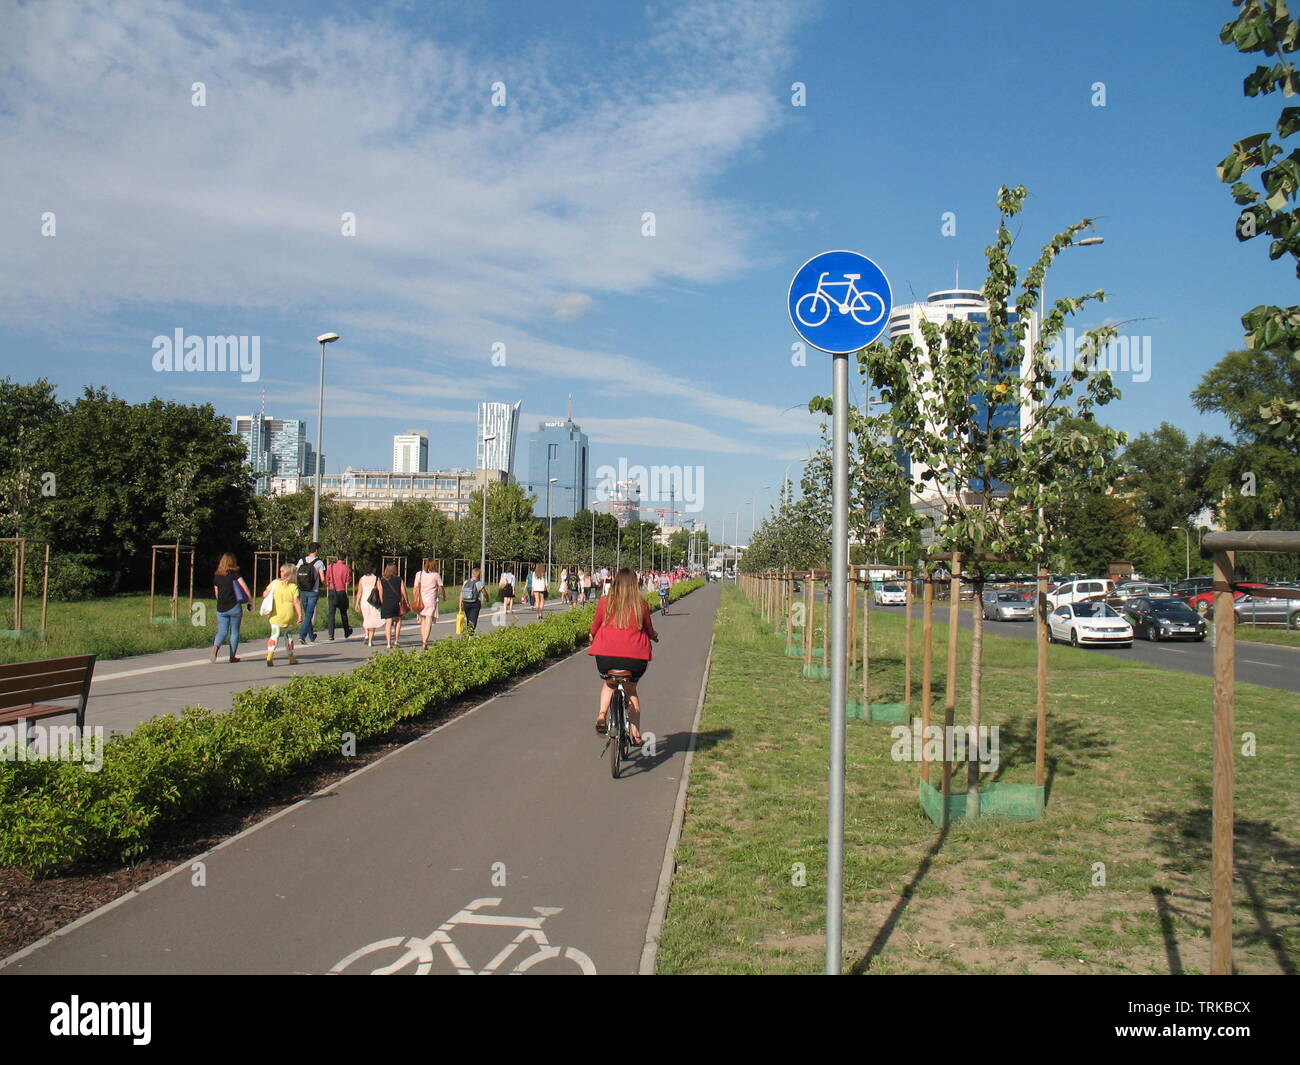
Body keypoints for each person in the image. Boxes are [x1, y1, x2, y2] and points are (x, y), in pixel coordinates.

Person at [589, 568, 659, 745]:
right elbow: (649, 629)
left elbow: (595, 625)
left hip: (605, 657)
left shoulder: (606, 602)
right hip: (635, 659)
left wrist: (592, 635)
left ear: (616, 584)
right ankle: (635, 734)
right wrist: (654, 636)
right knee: (631, 690)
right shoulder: (641, 604)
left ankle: (601, 715)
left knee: (609, 683)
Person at [211, 553, 252, 663]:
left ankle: (215, 647)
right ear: (232, 562)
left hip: (221, 608)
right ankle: (232, 656)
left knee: (222, 632)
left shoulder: (217, 575)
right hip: (234, 607)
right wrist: (250, 601)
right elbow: (245, 588)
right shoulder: (235, 574)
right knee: (234, 632)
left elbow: (216, 593)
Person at [263, 563, 304, 666]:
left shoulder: (275, 583)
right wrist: (299, 615)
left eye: (282, 571)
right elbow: (296, 602)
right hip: (288, 616)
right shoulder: (294, 587)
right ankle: (291, 657)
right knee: (288, 636)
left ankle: (270, 656)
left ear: (286, 573)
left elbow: (264, 594)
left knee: (274, 635)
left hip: (275, 615)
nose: (280, 573)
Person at [295, 543, 326, 644]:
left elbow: (296, 573)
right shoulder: (319, 562)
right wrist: (326, 585)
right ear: (316, 550)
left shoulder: (301, 560)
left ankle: (312, 636)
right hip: (313, 591)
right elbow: (322, 578)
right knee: (309, 615)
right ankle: (302, 635)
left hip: (303, 590)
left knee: (307, 614)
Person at [413, 560, 443, 650]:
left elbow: (415, 587)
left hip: (421, 600)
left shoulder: (419, 574)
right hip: (431, 600)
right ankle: (425, 641)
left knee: (422, 621)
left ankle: (423, 640)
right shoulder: (436, 575)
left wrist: (415, 598)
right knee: (429, 619)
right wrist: (441, 595)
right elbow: (440, 587)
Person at [379, 563, 409, 648]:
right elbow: (403, 591)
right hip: (396, 603)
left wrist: (382, 602)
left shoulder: (382, 580)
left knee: (388, 622)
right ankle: (396, 640)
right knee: (398, 620)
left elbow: (380, 593)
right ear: (394, 569)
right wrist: (406, 601)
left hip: (386, 603)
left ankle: (388, 643)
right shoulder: (399, 579)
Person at [325, 554, 353, 640]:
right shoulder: (347, 568)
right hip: (341, 592)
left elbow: (327, 579)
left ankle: (331, 634)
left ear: (337, 558)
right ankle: (346, 632)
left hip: (332, 592)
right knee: (343, 613)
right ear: (344, 559)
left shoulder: (330, 567)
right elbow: (347, 582)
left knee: (331, 614)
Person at [357, 562, 382, 646]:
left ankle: (366, 634)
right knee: (373, 619)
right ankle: (370, 641)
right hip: (373, 601)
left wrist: (357, 603)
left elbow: (359, 592)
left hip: (364, 600)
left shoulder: (362, 579)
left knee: (366, 618)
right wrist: (382, 600)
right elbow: (380, 590)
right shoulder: (376, 578)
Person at [460, 566, 486, 634]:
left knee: (468, 619)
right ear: (479, 575)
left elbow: (462, 593)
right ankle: (470, 636)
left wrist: (460, 603)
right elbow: (484, 593)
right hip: (475, 603)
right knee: (473, 619)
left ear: (472, 574)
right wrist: (487, 598)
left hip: (466, 603)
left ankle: (469, 634)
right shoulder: (479, 583)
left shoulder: (466, 582)